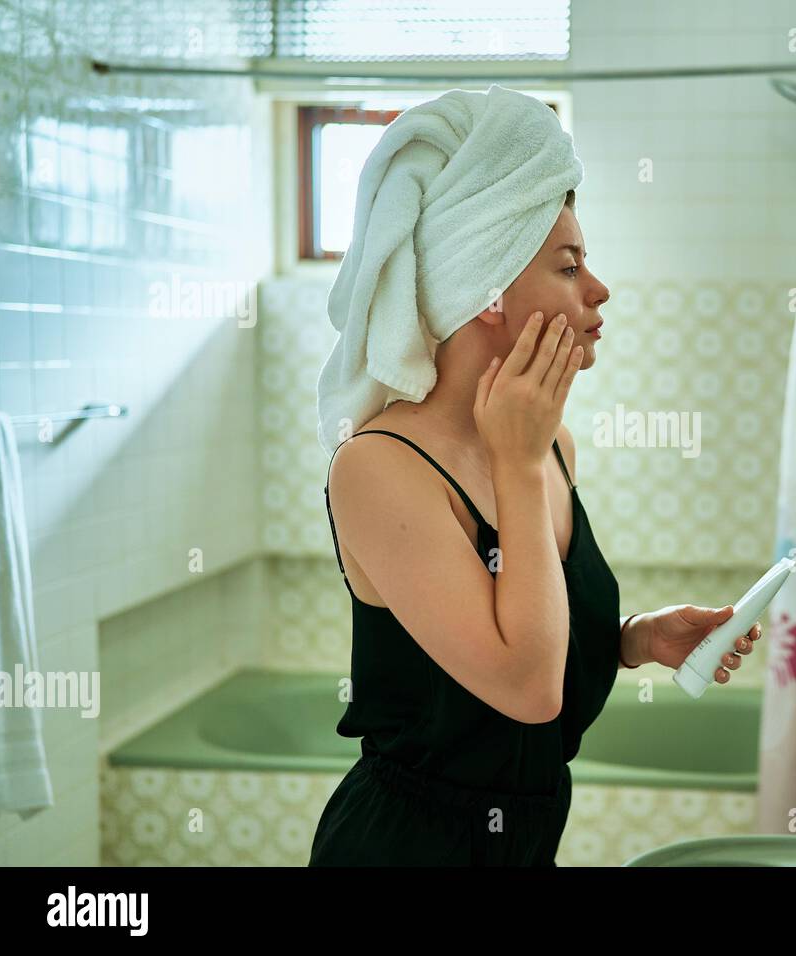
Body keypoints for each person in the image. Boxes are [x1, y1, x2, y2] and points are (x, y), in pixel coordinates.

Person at [310, 147, 761, 865]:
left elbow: (515, 628)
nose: (600, 290)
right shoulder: (378, 467)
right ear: (487, 289)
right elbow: (526, 689)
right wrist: (515, 462)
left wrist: (632, 639)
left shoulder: (554, 449)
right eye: (570, 267)